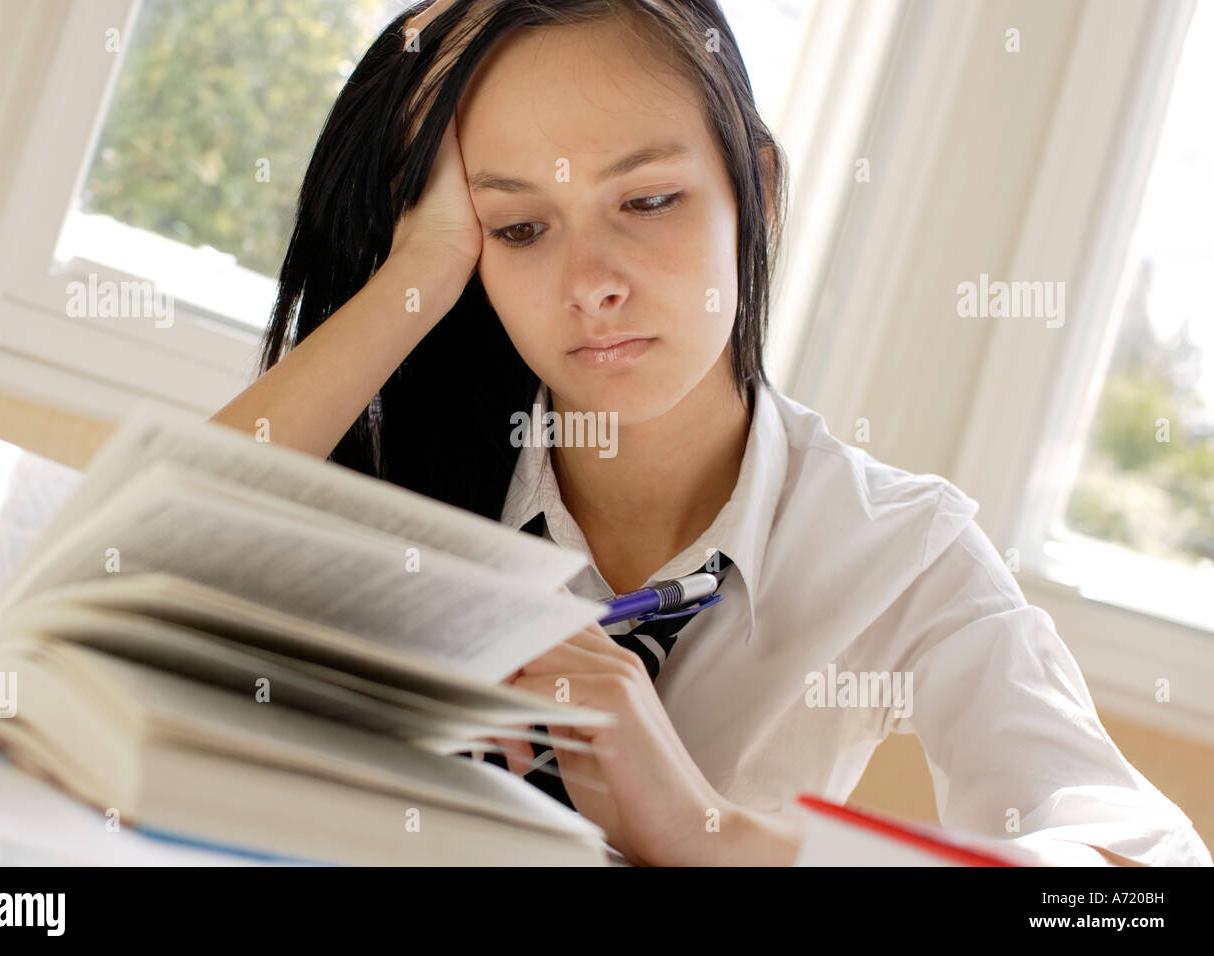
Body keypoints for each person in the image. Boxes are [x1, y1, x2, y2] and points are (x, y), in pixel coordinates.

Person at [211, 0, 1211, 867]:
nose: (590, 282)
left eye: (646, 202)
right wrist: (420, 265)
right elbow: (107, 593)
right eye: (519, 227)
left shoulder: (897, 551)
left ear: (758, 193)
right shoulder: (404, 463)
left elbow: (1127, 885)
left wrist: (710, 832)